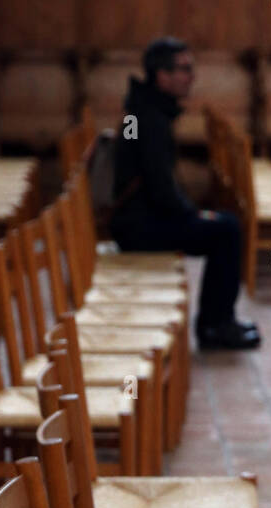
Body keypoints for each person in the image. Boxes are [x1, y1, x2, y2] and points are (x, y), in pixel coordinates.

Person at [110, 37, 260, 352]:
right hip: (139, 227)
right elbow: (161, 190)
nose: (191, 77)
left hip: (136, 219)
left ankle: (217, 322)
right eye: (184, 70)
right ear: (162, 76)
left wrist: (191, 213)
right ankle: (216, 327)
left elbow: (160, 186)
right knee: (227, 229)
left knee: (222, 224)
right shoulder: (148, 118)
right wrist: (193, 215)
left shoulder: (144, 109)